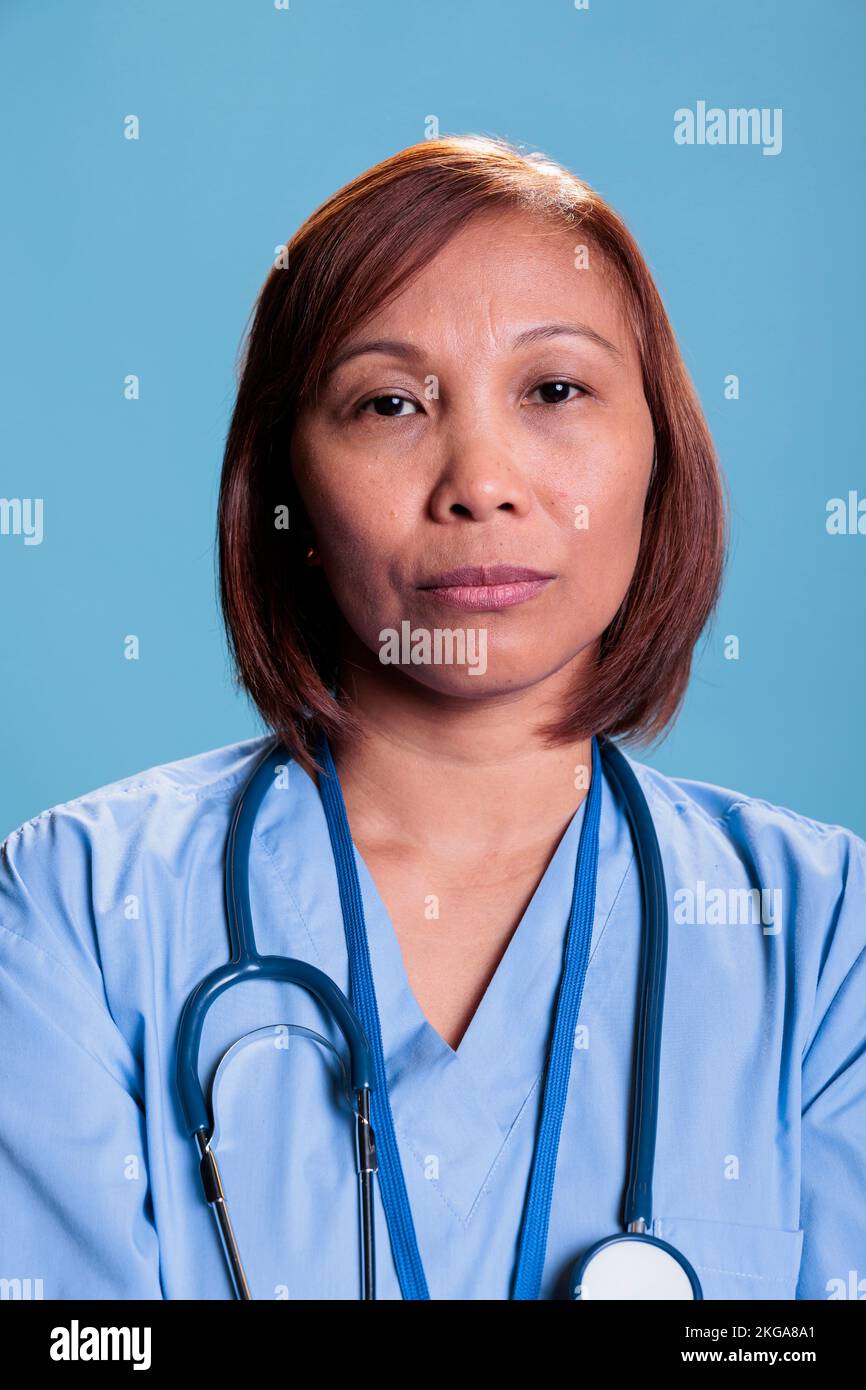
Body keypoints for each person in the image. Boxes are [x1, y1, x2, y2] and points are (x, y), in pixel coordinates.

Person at [1, 135, 863, 1302]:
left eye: (554, 390)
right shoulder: (75, 912)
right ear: (283, 492)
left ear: (659, 455)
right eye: (389, 402)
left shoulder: (823, 939)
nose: (480, 479)